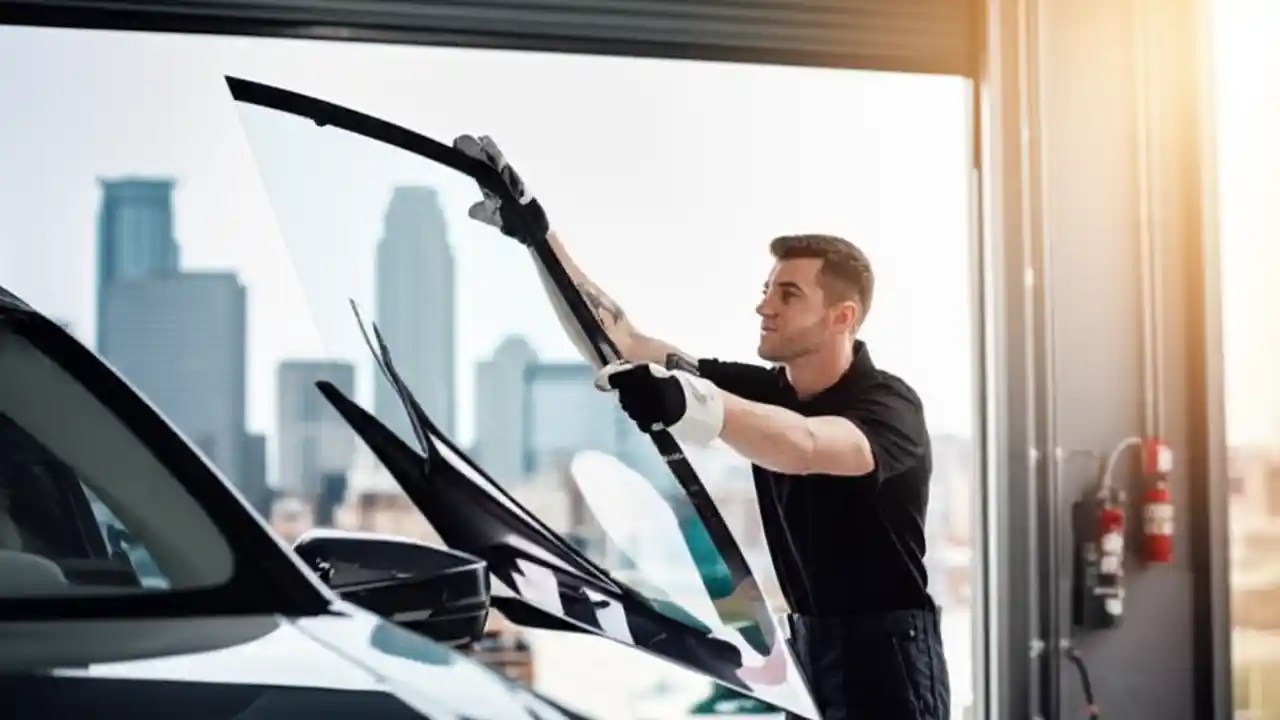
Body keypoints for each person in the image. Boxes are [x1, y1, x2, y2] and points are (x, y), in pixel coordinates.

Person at [454, 134, 950, 720]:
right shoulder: (769, 388)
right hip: (809, 642)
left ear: (842, 317)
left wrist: (690, 402)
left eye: (787, 294)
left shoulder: (888, 405)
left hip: (889, 654)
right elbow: (623, 342)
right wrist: (537, 235)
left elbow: (807, 444)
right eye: (766, 290)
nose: (764, 306)